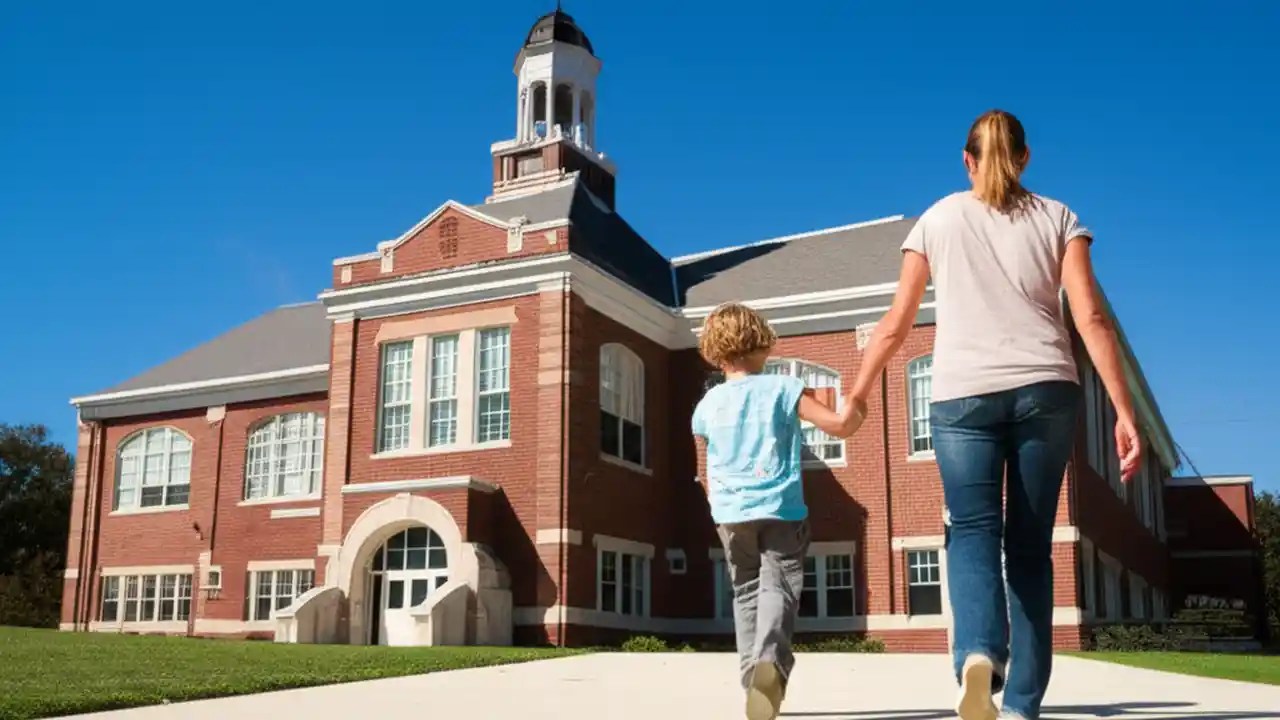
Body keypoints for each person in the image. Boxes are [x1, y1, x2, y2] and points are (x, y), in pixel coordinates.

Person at [847, 110, 1142, 720]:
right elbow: (1090, 320)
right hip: (1047, 391)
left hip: (962, 396)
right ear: (1027, 158)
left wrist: (856, 394)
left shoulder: (938, 218)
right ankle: (1024, 704)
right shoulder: (1061, 219)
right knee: (1030, 547)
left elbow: (897, 323)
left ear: (966, 159)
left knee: (971, 531)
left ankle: (979, 655)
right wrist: (1123, 410)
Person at [692, 303, 866, 720]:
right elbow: (840, 426)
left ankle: (754, 680)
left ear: (716, 352)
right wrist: (857, 404)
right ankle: (770, 660)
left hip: (730, 513)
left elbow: (706, 467)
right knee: (779, 586)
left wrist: (719, 505)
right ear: (762, 343)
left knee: (746, 592)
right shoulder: (783, 389)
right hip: (780, 508)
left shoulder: (707, 404)